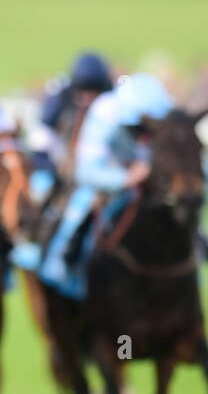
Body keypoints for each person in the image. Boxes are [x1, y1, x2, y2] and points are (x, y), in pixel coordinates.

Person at [33, 73, 172, 301]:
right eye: (141, 128)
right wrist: (126, 179)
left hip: (151, 191)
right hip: (107, 190)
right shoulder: (104, 113)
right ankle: (63, 266)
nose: (146, 136)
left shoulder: (163, 114)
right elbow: (86, 171)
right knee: (79, 210)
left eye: (153, 128)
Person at [29, 51, 113, 202]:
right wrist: (54, 169)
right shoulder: (58, 102)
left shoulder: (110, 109)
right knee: (39, 187)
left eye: (93, 92)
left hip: (92, 176)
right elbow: (39, 146)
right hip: (56, 171)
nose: (87, 99)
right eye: (82, 91)